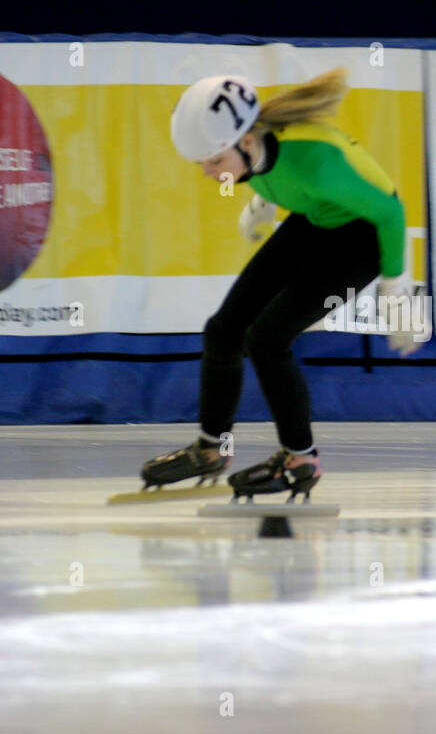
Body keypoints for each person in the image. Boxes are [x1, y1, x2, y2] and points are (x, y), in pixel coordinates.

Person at [142, 69, 416, 500]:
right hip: (318, 219)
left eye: (214, 161)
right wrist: (262, 202)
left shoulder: (317, 164)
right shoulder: (257, 152)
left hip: (364, 239)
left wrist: (397, 289)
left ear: (247, 142)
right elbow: (275, 171)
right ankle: (212, 449)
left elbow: (390, 213)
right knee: (223, 330)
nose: (209, 174)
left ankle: (301, 459)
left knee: (267, 339)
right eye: (201, 164)